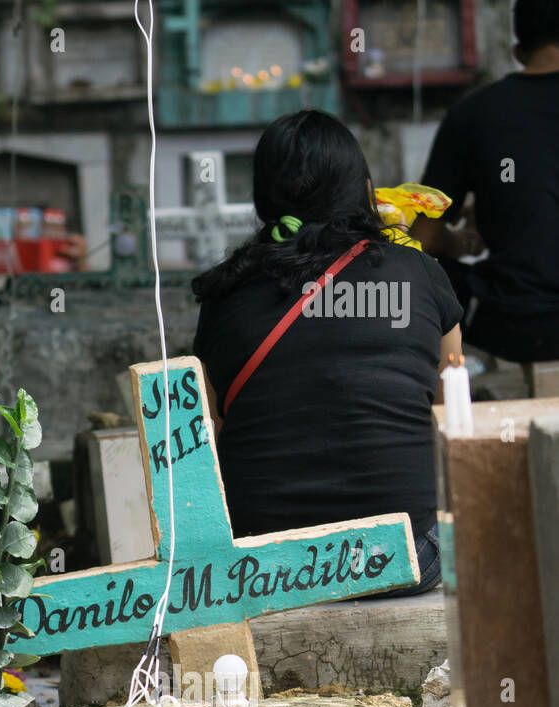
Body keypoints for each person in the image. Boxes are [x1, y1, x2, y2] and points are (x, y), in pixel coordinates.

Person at [192, 110, 463, 597]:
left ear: (263, 196)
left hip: (266, 565)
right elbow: (453, 415)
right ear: (363, 186)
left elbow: (212, 426)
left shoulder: (226, 292)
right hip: (406, 556)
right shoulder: (418, 273)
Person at [410, 0, 559, 364]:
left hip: (520, 327)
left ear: (519, 51)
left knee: (421, 275)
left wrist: (459, 240)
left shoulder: (474, 113)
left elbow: (420, 242)